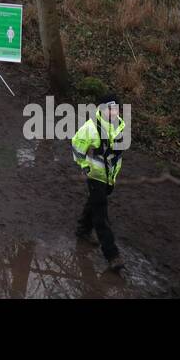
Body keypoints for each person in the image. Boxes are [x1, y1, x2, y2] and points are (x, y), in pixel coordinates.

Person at [72, 94, 127, 272]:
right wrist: (85, 167)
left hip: (110, 176)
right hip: (95, 175)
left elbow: (118, 153)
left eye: (116, 108)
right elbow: (77, 146)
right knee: (101, 213)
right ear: (102, 109)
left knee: (95, 202)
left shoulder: (120, 126)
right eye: (111, 108)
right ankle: (112, 255)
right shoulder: (90, 128)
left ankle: (83, 228)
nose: (114, 112)